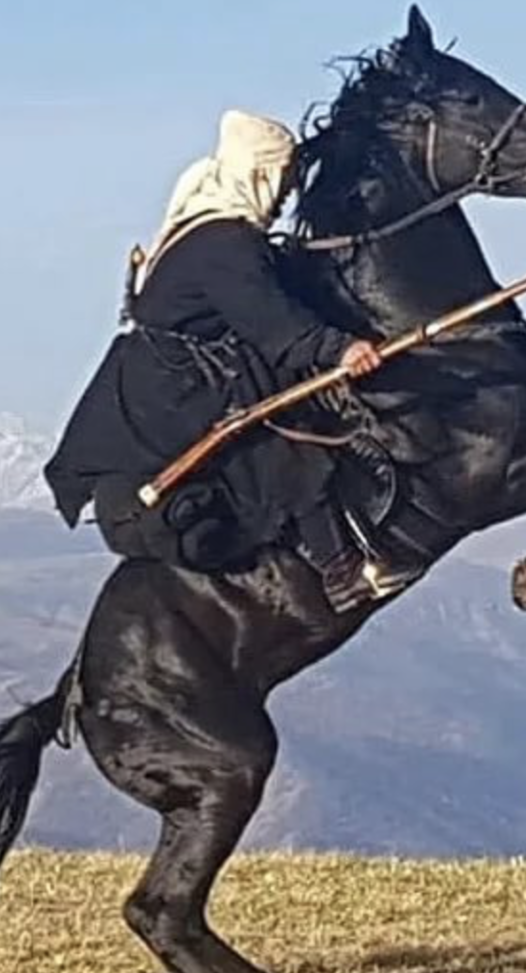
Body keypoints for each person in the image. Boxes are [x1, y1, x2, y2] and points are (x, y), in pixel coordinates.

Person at [43, 109, 415, 613]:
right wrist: (338, 349)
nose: (285, 194)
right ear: (258, 174)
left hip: (170, 378)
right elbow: (271, 321)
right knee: (282, 439)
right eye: (281, 180)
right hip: (177, 392)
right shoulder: (225, 243)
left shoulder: (207, 230)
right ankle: (340, 570)